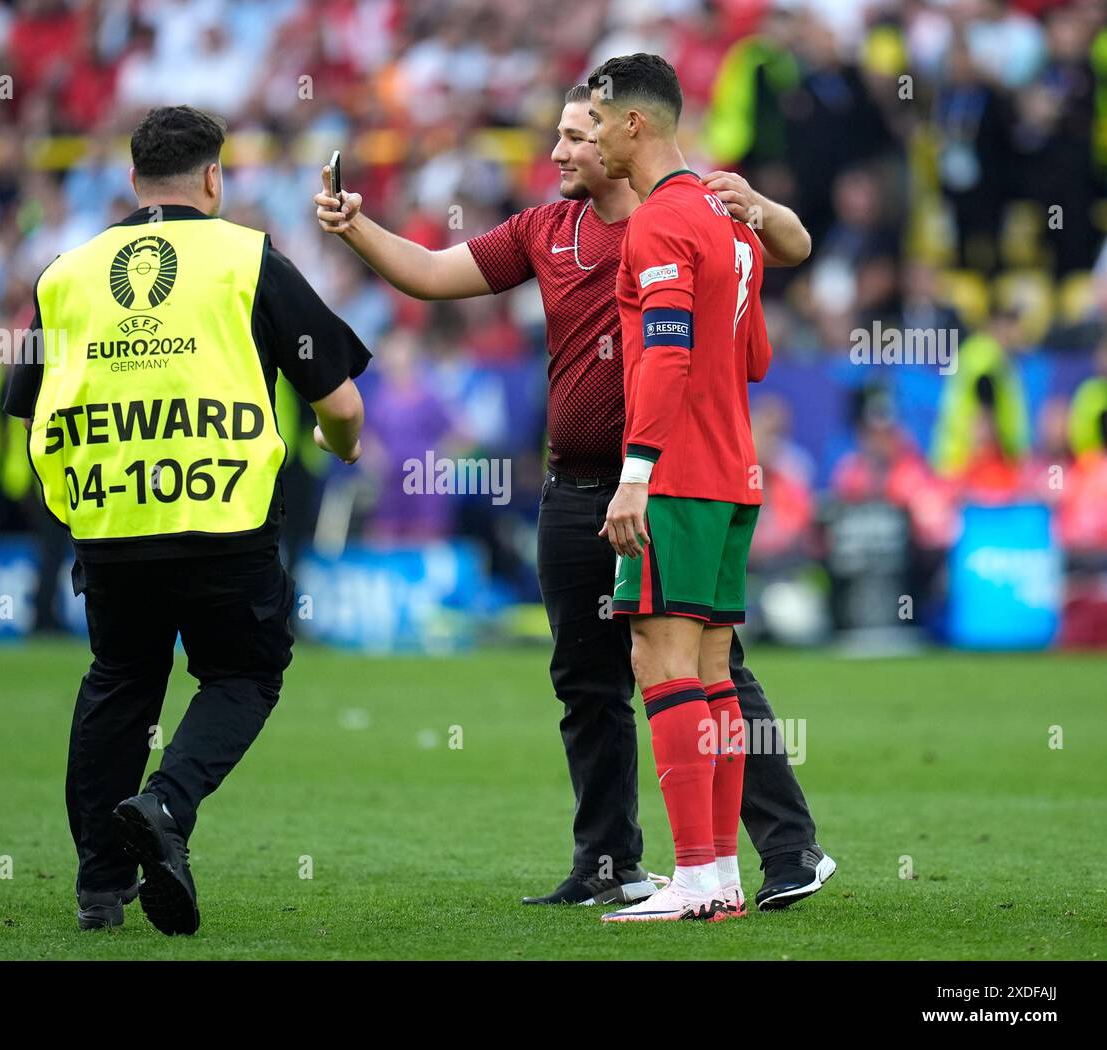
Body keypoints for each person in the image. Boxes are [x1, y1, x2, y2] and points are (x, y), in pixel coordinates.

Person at [314, 83, 832, 911]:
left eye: (571, 136)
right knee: (588, 684)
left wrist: (763, 208)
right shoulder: (547, 230)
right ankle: (609, 864)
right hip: (578, 488)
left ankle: (777, 852)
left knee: (706, 664)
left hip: (660, 481)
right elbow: (436, 273)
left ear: (617, 138)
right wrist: (357, 227)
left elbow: (789, 251)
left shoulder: (683, 214)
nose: (556, 152)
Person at [4, 105, 371, 935]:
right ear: (215, 178)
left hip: (111, 522)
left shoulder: (64, 272)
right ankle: (166, 805)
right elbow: (339, 402)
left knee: (119, 685)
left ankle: (100, 891)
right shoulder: (248, 259)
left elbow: (27, 415)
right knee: (245, 673)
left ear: (132, 182)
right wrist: (339, 443)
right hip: (222, 518)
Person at [587, 52, 797, 922]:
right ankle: (717, 880)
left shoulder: (660, 225)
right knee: (710, 671)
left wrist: (634, 475)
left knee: (658, 662)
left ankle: (698, 879)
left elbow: (668, 353)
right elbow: (756, 357)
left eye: (596, 119)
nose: (590, 134)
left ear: (634, 124)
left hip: (673, 475)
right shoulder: (730, 224)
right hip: (733, 473)